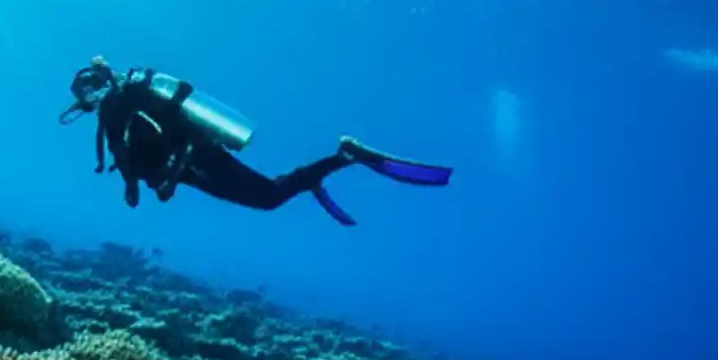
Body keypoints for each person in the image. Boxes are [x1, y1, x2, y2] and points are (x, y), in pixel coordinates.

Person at [58, 55, 453, 226]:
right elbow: (138, 149)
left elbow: (146, 147)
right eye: (86, 95)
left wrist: (158, 180)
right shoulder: (124, 106)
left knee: (268, 198)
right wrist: (148, 182)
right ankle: (329, 165)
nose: (89, 100)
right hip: (196, 162)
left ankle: (341, 157)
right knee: (270, 196)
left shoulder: (121, 107)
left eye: (89, 92)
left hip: (197, 161)